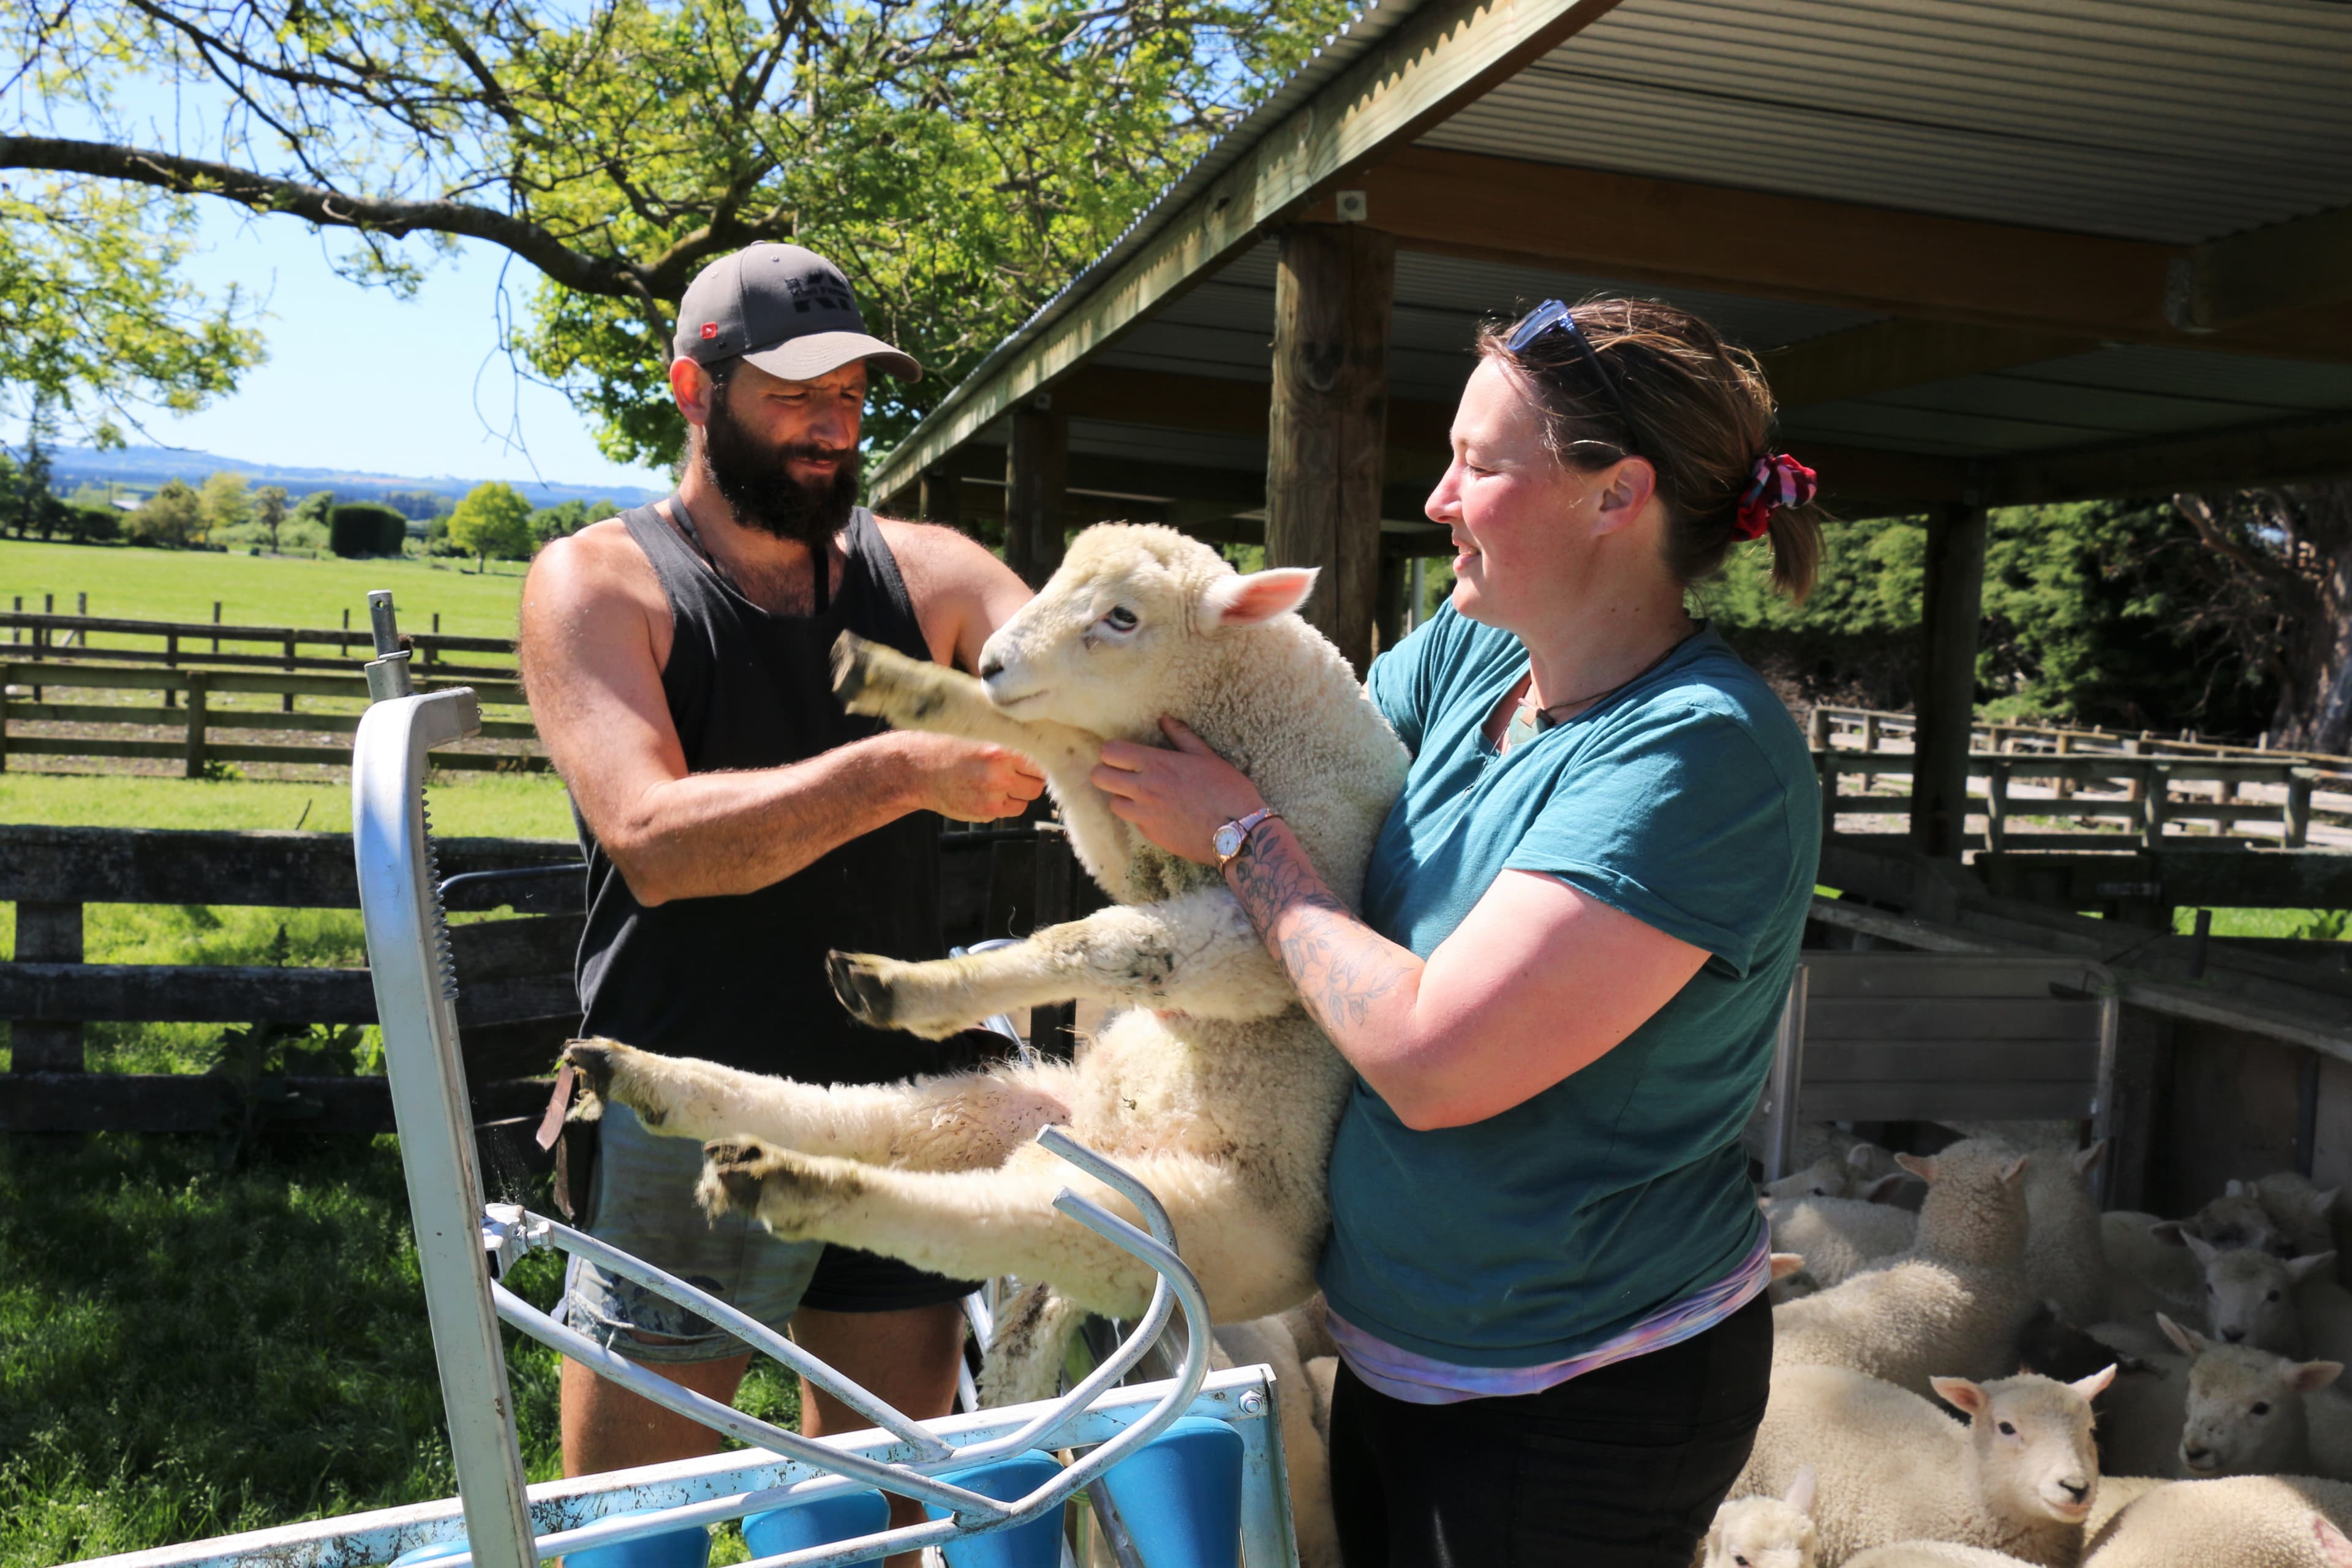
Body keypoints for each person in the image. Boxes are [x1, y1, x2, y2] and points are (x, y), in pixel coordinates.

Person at [1092, 296, 1825, 1567]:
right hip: (1407, 1352)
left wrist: (1237, 836)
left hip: (1574, 1393)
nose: (1437, 500)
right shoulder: (1478, 658)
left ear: (1615, 497)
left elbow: (1434, 1059)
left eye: (1479, 466)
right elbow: (1301, 787)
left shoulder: (1696, 756)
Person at [519, 243, 1044, 1553]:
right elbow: (654, 841)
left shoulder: (930, 574)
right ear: (692, 388)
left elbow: (1094, 661)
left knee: (885, 1517)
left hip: (894, 1107)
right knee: (636, 1531)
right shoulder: (600, 584)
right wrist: (902, 768)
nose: (832, 426)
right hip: (685, 1108)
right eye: (794, 394)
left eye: (852, 396)